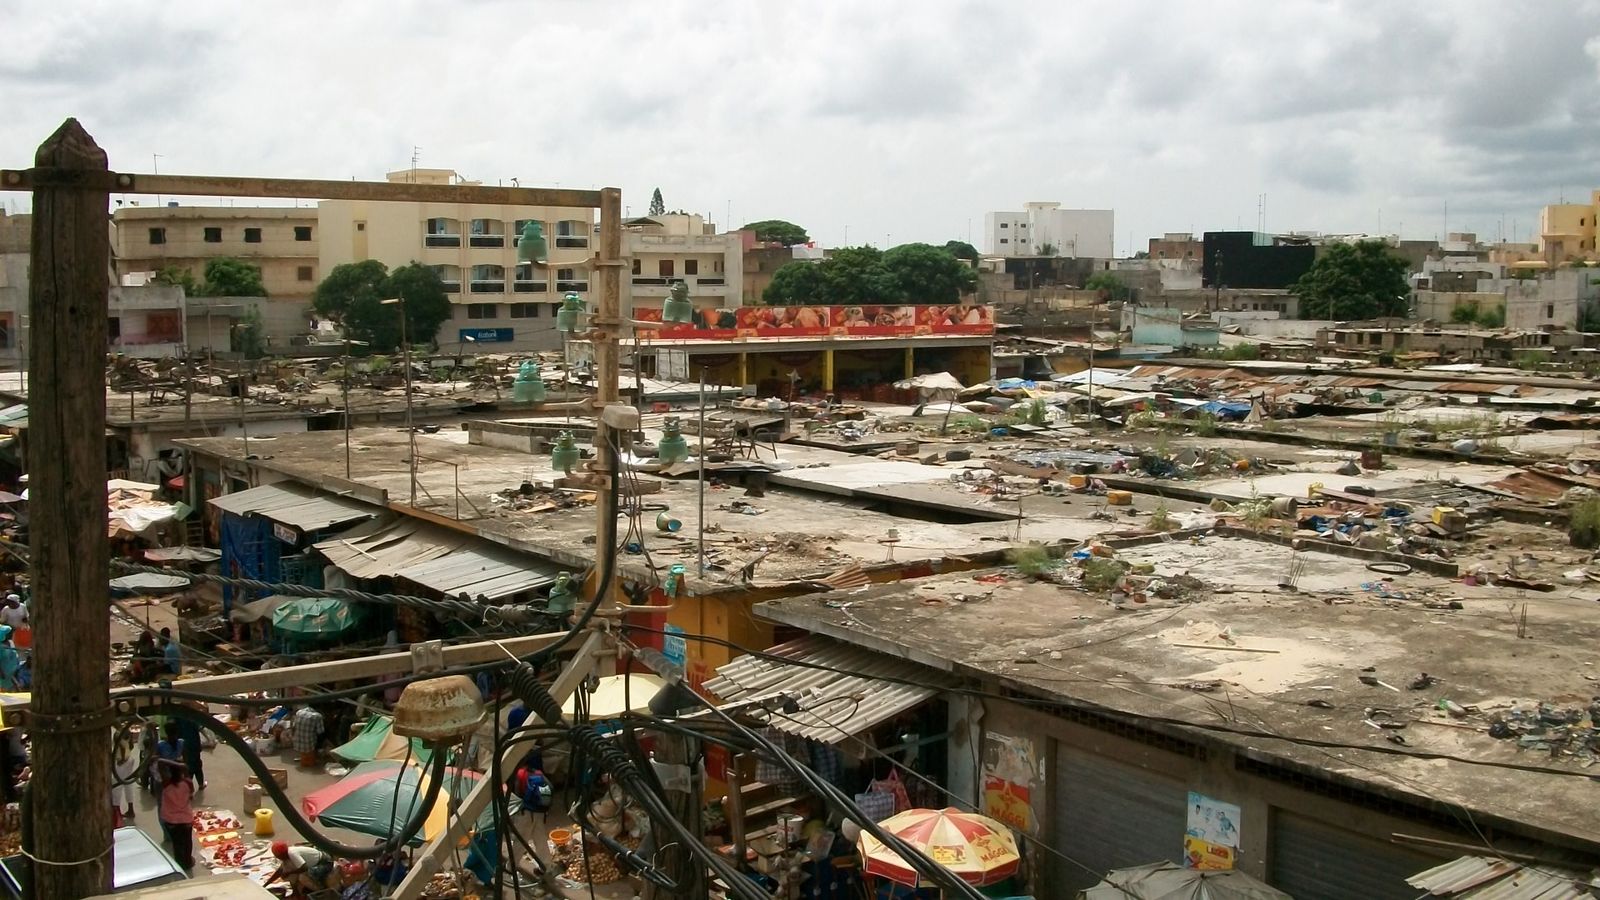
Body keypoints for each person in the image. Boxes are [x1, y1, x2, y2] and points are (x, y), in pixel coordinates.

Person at [158, 763, 194, 870]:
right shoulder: (187, 783)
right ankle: (188, 861)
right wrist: (179, 765)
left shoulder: (166, 784)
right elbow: (185, 767)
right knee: (187, 841)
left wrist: (171, 763)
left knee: (177, 843)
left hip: (171, 820)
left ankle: (180, 864)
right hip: (186, 818)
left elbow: (160, 762)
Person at [268, 841, 332, 898]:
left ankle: (322, 892)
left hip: (323, 863)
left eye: (279, 856)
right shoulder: (286, 857)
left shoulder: (292, 854)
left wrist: (289, 873)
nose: (279, 858)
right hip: (311, 864)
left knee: (302, 878)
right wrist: (266, 884)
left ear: (283, 854)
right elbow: (280, 871)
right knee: (289, 872)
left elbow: (304, 868)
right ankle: (297, 893)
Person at [111, 730, 139, 820]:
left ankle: (117, 813)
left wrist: (122, 759)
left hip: (121, 761)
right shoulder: (127, 732)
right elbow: (130, 746)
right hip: (129, 759)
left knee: (117, 786)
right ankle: (131, 810)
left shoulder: (118, 733)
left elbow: (122, 747)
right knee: (128, 785)